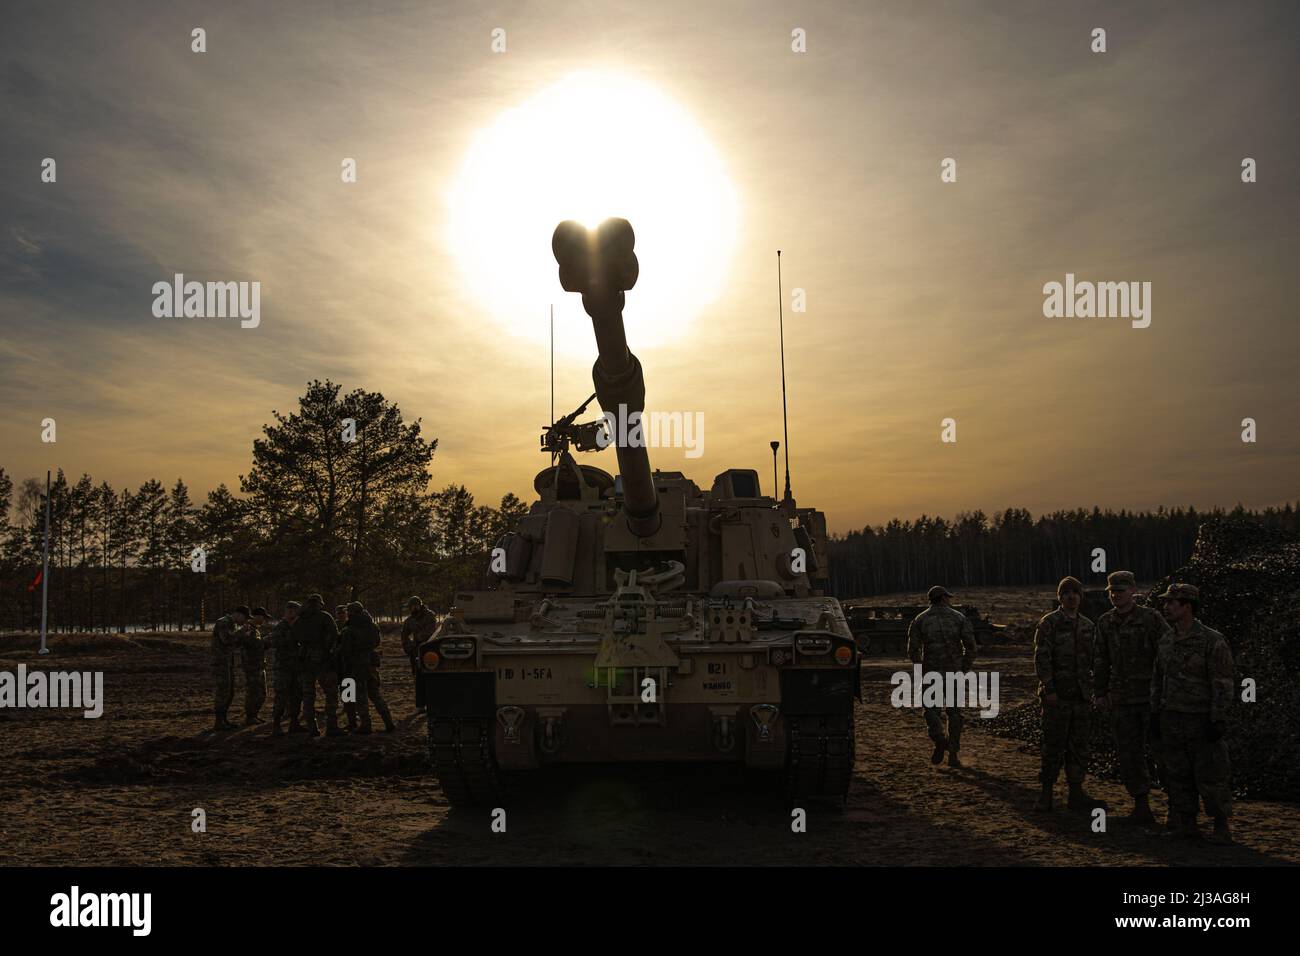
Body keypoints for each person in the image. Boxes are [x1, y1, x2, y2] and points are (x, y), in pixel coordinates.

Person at [1152, 583, 1235, 844]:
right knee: (1177, 774)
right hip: (1172, 718)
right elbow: (1158, 678)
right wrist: (1156, 713)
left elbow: (1222, 681)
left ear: (1187, 607)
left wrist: (1218, 717)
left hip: (1200, 720)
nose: (1166, 607)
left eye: (1171, 603)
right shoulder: (1166, 640)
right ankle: (1186, 824)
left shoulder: (1212, 640)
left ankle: (1221, 826)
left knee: (1211, 775)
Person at [1094, 570, 1170, 823]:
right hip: (1122, 699)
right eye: (1112, 591)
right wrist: (1101, 693)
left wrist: (1167, 692)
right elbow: (1101, 660)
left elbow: (1168, 654)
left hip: (1151, 697)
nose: (1116, 595)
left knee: (1163, 752)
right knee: (1129, 753)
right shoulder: (1105, 622)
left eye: (1121, 590)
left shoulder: (1151, 618)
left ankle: (1176, 807)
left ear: (1133, 591)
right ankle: (1141, 804)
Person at [1033, 577, 1102, 812]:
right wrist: (1049, 688)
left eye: (1075, 592)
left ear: (1080, 597)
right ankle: (1046, 793)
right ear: (1060, 597)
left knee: (1079, 746)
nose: (1071, 596)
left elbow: (1095, 660)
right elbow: (1041, 658)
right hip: (1057, 696)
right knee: (1052, 745)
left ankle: (1076, 792)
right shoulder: (1049, 623)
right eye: (1066, 593)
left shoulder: (1087, 626)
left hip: (1081, 697)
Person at [905, 586, 977, 767]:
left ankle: (939, 738)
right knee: (954, 714)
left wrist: (921, 667)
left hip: (932, 672)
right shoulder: (959, 617)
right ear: (943, 598)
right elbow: (971, 646)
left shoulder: (920, 619)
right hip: (954, 671)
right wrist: (964, 667)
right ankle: (953, 754)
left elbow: (912, 649)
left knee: (930, 710)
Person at [341, 600, 395, 734]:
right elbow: (376, 642)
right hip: (370, 665)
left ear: (352, 613)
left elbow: (345, 650)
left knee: (359, 697)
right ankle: (388, 722)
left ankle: (365, 725)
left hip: (356, 666)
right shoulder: (372, 626)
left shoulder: (349, 630)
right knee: (375, 695)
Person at [293, 594, 342, 736]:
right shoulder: (325, 617)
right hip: (323, 661)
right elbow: (334, 635)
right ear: (319, 604)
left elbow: (294, 639)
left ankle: (312, 727)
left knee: (308, 695)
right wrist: (327, 650)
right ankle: (332, 726)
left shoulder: (300, 620)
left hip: (305, 661)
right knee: (331, 693)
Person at [210, 605, 249, 731]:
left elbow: (233, 644)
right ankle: (218, 722)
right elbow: (226, 639)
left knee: (230, 692)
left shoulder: (232, 625)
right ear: (238, 614)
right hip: (220, 662)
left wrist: (243, 636)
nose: (245, 621)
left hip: (228, 661)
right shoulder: (223, 622)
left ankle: (223, 720)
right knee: (223, 691)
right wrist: (242, 631)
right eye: (245, 617)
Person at [268, 601, 304, 736]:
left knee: (296, 696)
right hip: (283, 667)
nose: (291, 613)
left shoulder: (300, 627)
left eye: (294, 610)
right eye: (289, 610)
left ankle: (294, 723)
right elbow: (276, 643)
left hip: (297, 667)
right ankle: (276, 725)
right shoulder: (280, 627)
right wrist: (291, 633)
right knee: (281, 696)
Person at [401, 596, 439, 712]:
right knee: (417, 677)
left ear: (418, 605)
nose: (411, 609)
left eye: (412, 606)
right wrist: (408, 647)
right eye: (410, 607)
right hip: (416, 651)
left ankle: (433, 703)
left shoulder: (430, 616)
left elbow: (431, 632)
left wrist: (417, 638)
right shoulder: (410, 620)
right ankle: (421, 704)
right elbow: (404, 635)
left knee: (431, 677)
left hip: (429, 650)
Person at [238, 607, 270, 725]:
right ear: (257, 616)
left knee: (261, 692)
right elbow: (250, 644)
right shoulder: (249, 629)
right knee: (254, 692)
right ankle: (250, 716)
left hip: (258, 665)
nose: (264, 620)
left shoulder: (254, 629)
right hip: (252, 666)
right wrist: (265, 642)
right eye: (263, 617)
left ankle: (253, 715)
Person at [337, 604, 357, 732]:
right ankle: (348, 707)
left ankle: (352, 712)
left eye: (343, 613)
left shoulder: (352, 625)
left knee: (351, 685)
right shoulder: (334, 625)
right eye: (339, 613)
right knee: (343, 684)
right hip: (340, 661)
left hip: (351, 661)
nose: (341, 615)